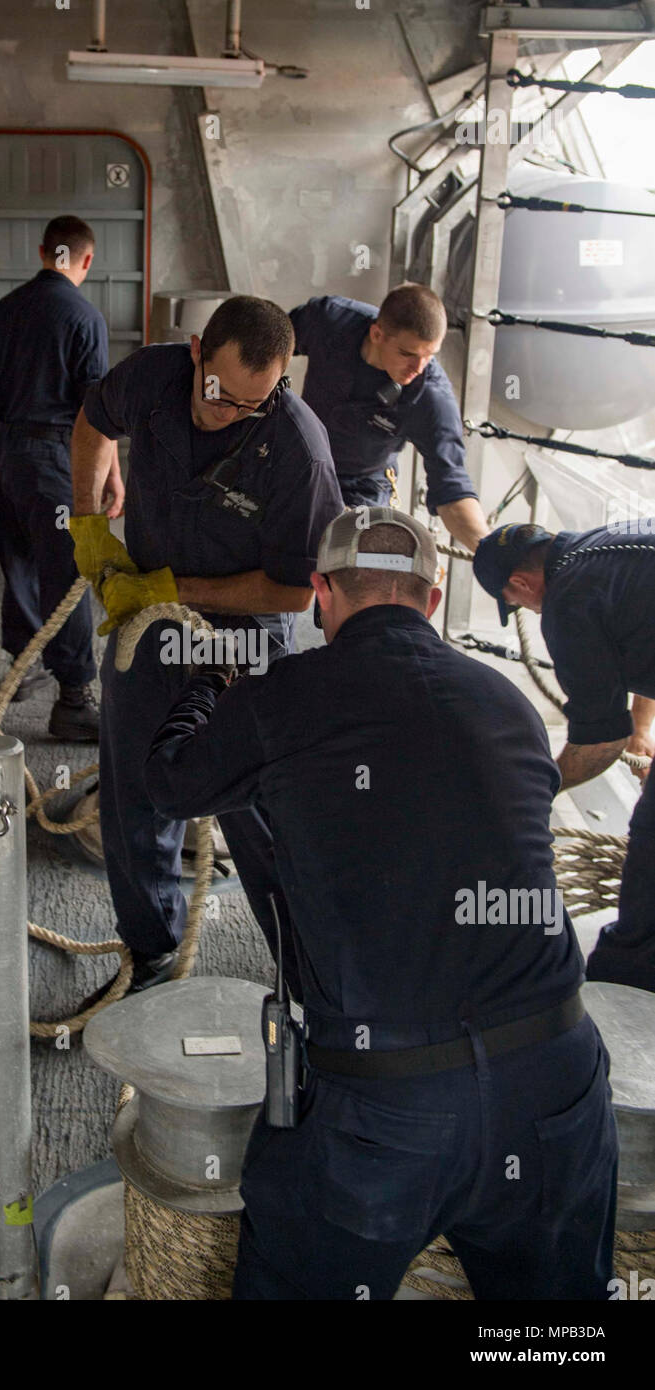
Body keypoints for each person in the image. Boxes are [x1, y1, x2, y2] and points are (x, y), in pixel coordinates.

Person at [144, 508, 617, 1301]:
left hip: (385, 1104)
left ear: (321, 594)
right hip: (556, 1080)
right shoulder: (505, 703)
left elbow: (169, 781)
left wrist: (209, 681)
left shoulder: (281, 697)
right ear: (431, 601)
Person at [68, 295, 343, 1005]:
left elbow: (290, 594)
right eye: (219, 392)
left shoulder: (298, 451)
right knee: (133, 787)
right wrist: (88, 523)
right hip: (147, 626)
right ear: (195, 352)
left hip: (243, 637)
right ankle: (150, 953)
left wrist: (167, 583)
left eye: (255, 402)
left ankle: (312, 975)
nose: (230, 413)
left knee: (259, 806)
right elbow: (93, 426)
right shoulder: (149, 379)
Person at [474, 519, 655, 992]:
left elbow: (600, 743)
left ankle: (627, 981)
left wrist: (532, 790)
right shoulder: (606, 544)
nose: (527, 608)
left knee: (651, 841)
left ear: (520, 583)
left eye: (516, 603)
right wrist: (644, 729)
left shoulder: (568, 603)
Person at [0, 216, 112, 739]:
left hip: (4, 452)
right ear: (87, 259)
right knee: (69, 573)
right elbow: (96, 414)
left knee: (21, 563)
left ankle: (23, 664)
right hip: (54, 455)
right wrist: (103, 481)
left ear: (41, 252)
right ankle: (74, 700)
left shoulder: (3, 313)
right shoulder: (84, 317)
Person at [288, 284, 488, 553]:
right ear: (377, 333)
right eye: (408, 354)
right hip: (300, 459)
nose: (418, 368)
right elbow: (269, 345)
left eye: (429, 356)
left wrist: (489, 550)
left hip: (360, 489)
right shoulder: (330, 321)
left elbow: (452, 490)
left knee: (333, 562)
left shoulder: (430, 397)